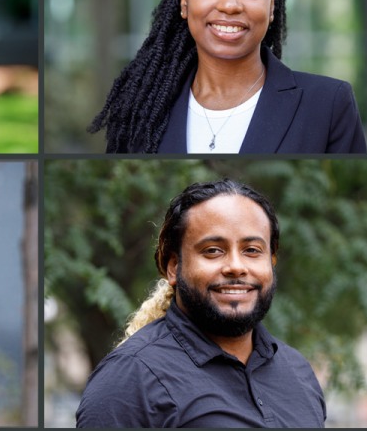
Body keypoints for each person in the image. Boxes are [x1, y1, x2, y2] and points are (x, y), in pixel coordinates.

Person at [88, 0, 367, 153]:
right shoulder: (140, 111)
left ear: (272, 5)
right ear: (184, 0)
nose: (230, 4)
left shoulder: (327, 104)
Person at [76, 179, 325, 427]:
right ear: (173, 267)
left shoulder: (298, 371)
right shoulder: (129, 380)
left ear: (271, 261)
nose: (236, 267)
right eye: (213, 250)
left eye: (251, 250)